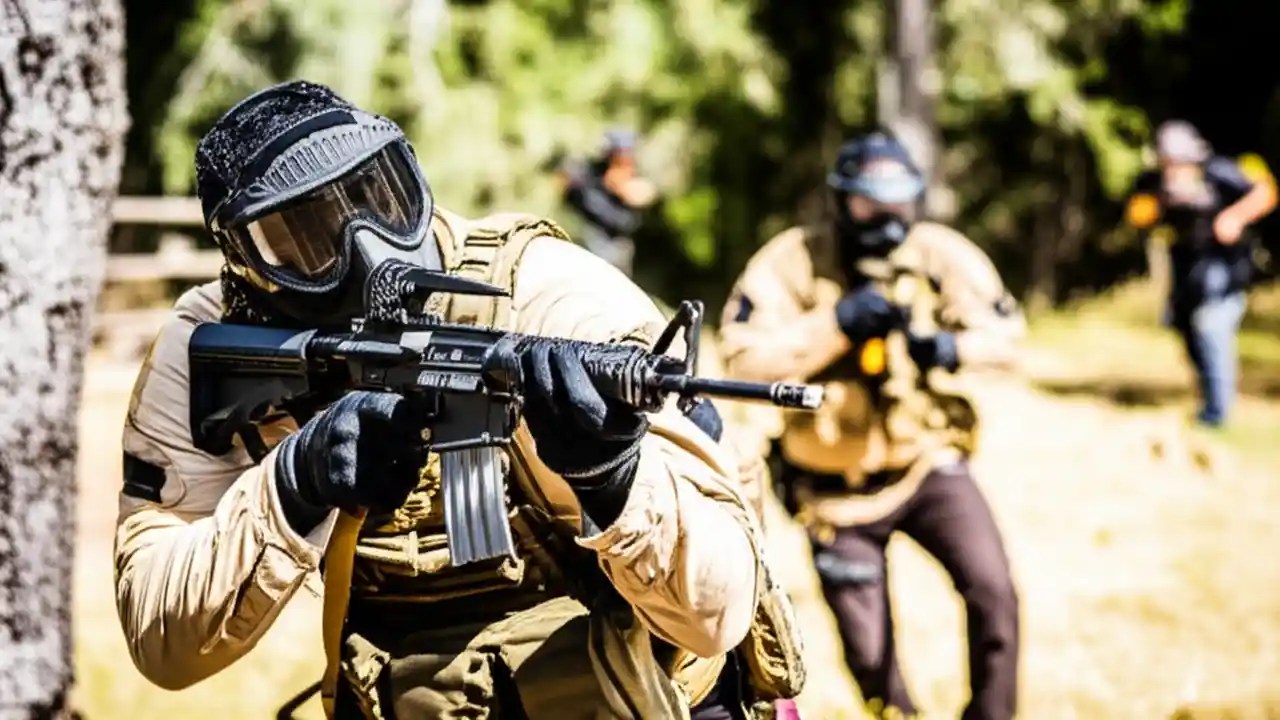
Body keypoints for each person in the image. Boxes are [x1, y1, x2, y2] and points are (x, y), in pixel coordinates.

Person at [113, 80, 799, 719]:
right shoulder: (210, 343)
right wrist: (292, 485)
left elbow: (718, 613)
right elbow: (163, 647)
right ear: (243, 265)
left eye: (380, 198)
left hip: (653, 692)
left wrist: (613, 480)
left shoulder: (546, 294)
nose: (368, 250)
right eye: (303, 239)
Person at [718, 132, 1025, 720]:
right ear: (840, 201)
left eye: (898, 205)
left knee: (995, 594)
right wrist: (833, 324)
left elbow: (1010, 340)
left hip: (925, 465)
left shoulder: (939, 254)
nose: (885, 221)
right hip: (835, 498)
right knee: (873, 661)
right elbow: (741, 357)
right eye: (867, 207)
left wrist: (950, 348)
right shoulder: (792, 260)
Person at [1125, 120, 1277, 428]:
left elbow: (1265, 193)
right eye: (1167, 163)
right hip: (1186, 276)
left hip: (1225, 272)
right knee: (1187, 331)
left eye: (1179, 163)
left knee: (1211, 329)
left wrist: (1234, 217)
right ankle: (1209, 401)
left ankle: (1217, 416)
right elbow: (1136, 213)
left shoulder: (1219, 172)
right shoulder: (1154, 183)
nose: (1173, 171)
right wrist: (1158, 207)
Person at [557, 128, 658, 277]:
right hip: (588, 243)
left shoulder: (631, 179)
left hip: (615, 249)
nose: (624, 160)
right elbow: (572, 194)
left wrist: (623, 190)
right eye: (619, 155)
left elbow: (627, 220)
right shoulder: (590, 175)